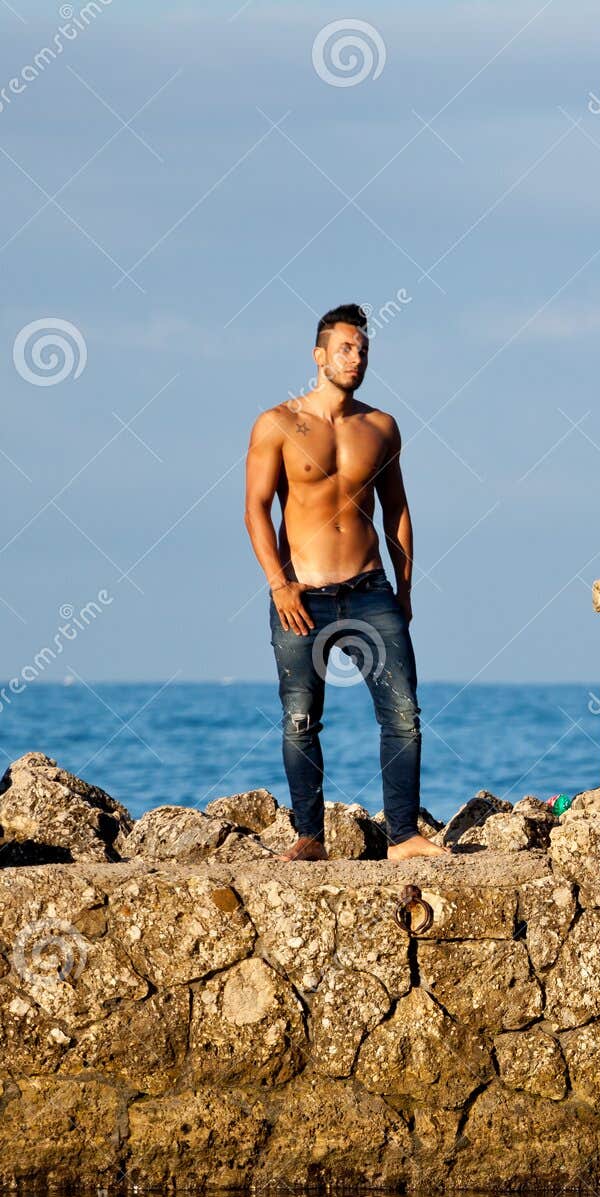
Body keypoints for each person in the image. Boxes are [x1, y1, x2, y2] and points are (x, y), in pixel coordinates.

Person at [243, 302, 445, 861]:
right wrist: (279, 584)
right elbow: (256, 509)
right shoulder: (278, 424)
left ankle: (403, 836)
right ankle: (309, 837)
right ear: (319, 355)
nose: (355, 358)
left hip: (370, 587)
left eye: (362, 350)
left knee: (402, 713)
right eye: (345, 349)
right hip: (301, 596)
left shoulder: (380, 427)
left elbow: (397, 508)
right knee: (301, 719)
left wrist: (404, 587)